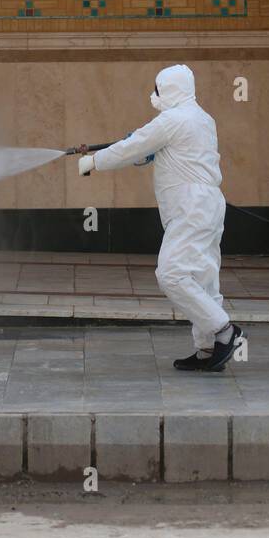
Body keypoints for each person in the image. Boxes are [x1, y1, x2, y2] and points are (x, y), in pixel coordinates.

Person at [77, 64, 241, 372]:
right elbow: (149, 150)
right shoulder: (202, 118)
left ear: (169, 89)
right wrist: (139, 149)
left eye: (157, 88)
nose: (154, 94)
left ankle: (224, 331)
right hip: (207, 205)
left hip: (190, 208)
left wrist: (93, 161)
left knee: (172, 274)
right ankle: (208, 350)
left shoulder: (172, 120)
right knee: (203, 279)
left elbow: (133, 147)